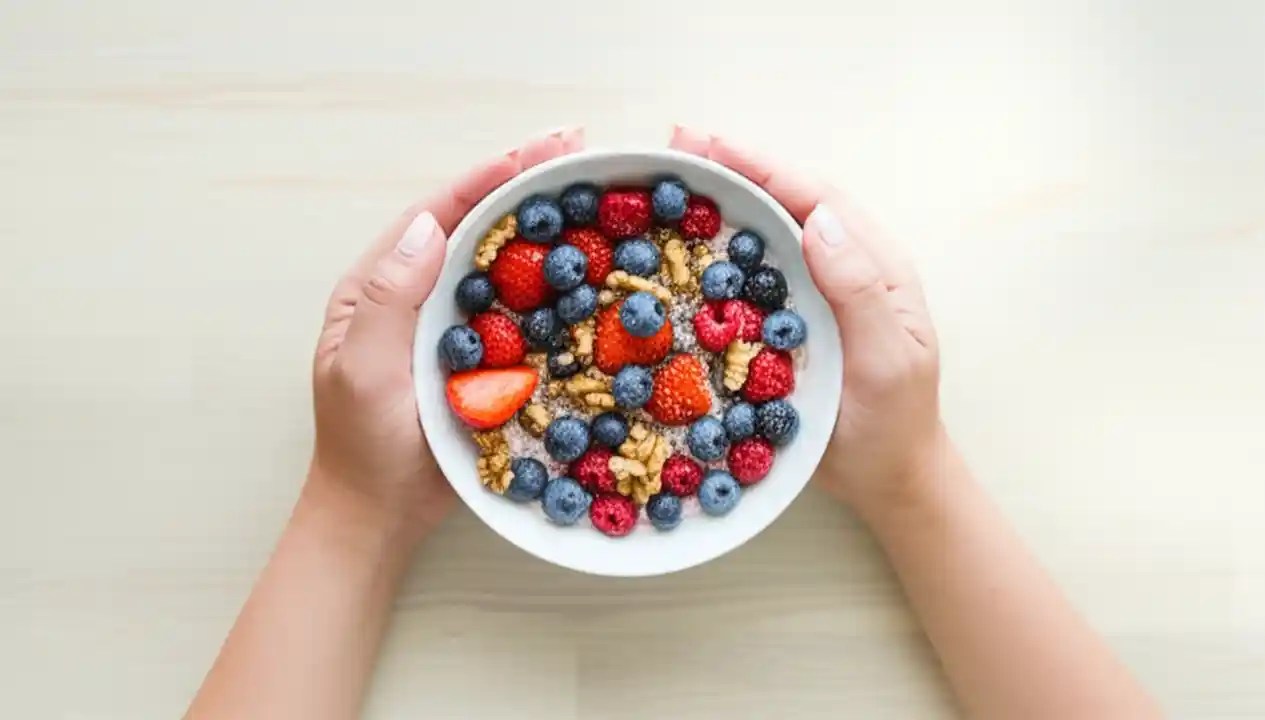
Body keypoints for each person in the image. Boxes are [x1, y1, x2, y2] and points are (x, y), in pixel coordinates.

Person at [184, 126, 1161, 720]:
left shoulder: (686, 372)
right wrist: (908, 479)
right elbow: (571, 340)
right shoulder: (595, 347)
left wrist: (357, 507)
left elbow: (648, 368)